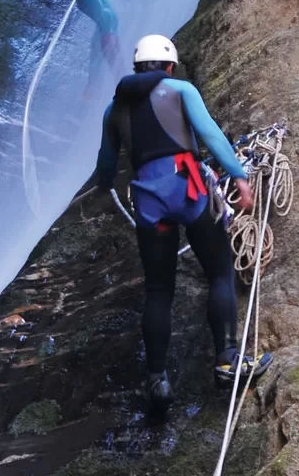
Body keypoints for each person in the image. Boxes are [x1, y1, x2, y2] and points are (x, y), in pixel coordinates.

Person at [94, 34, 274, 411]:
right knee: (221, 272)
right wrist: (239, 177)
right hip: (188, 190)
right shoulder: (179, 89)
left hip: (149, 204)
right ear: (169, 66)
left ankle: (157, 380)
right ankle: (227, 358)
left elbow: (106, 169)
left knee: (159, 292)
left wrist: (105, 185)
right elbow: (210, 134)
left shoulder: (114, 110)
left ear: (136, 67)